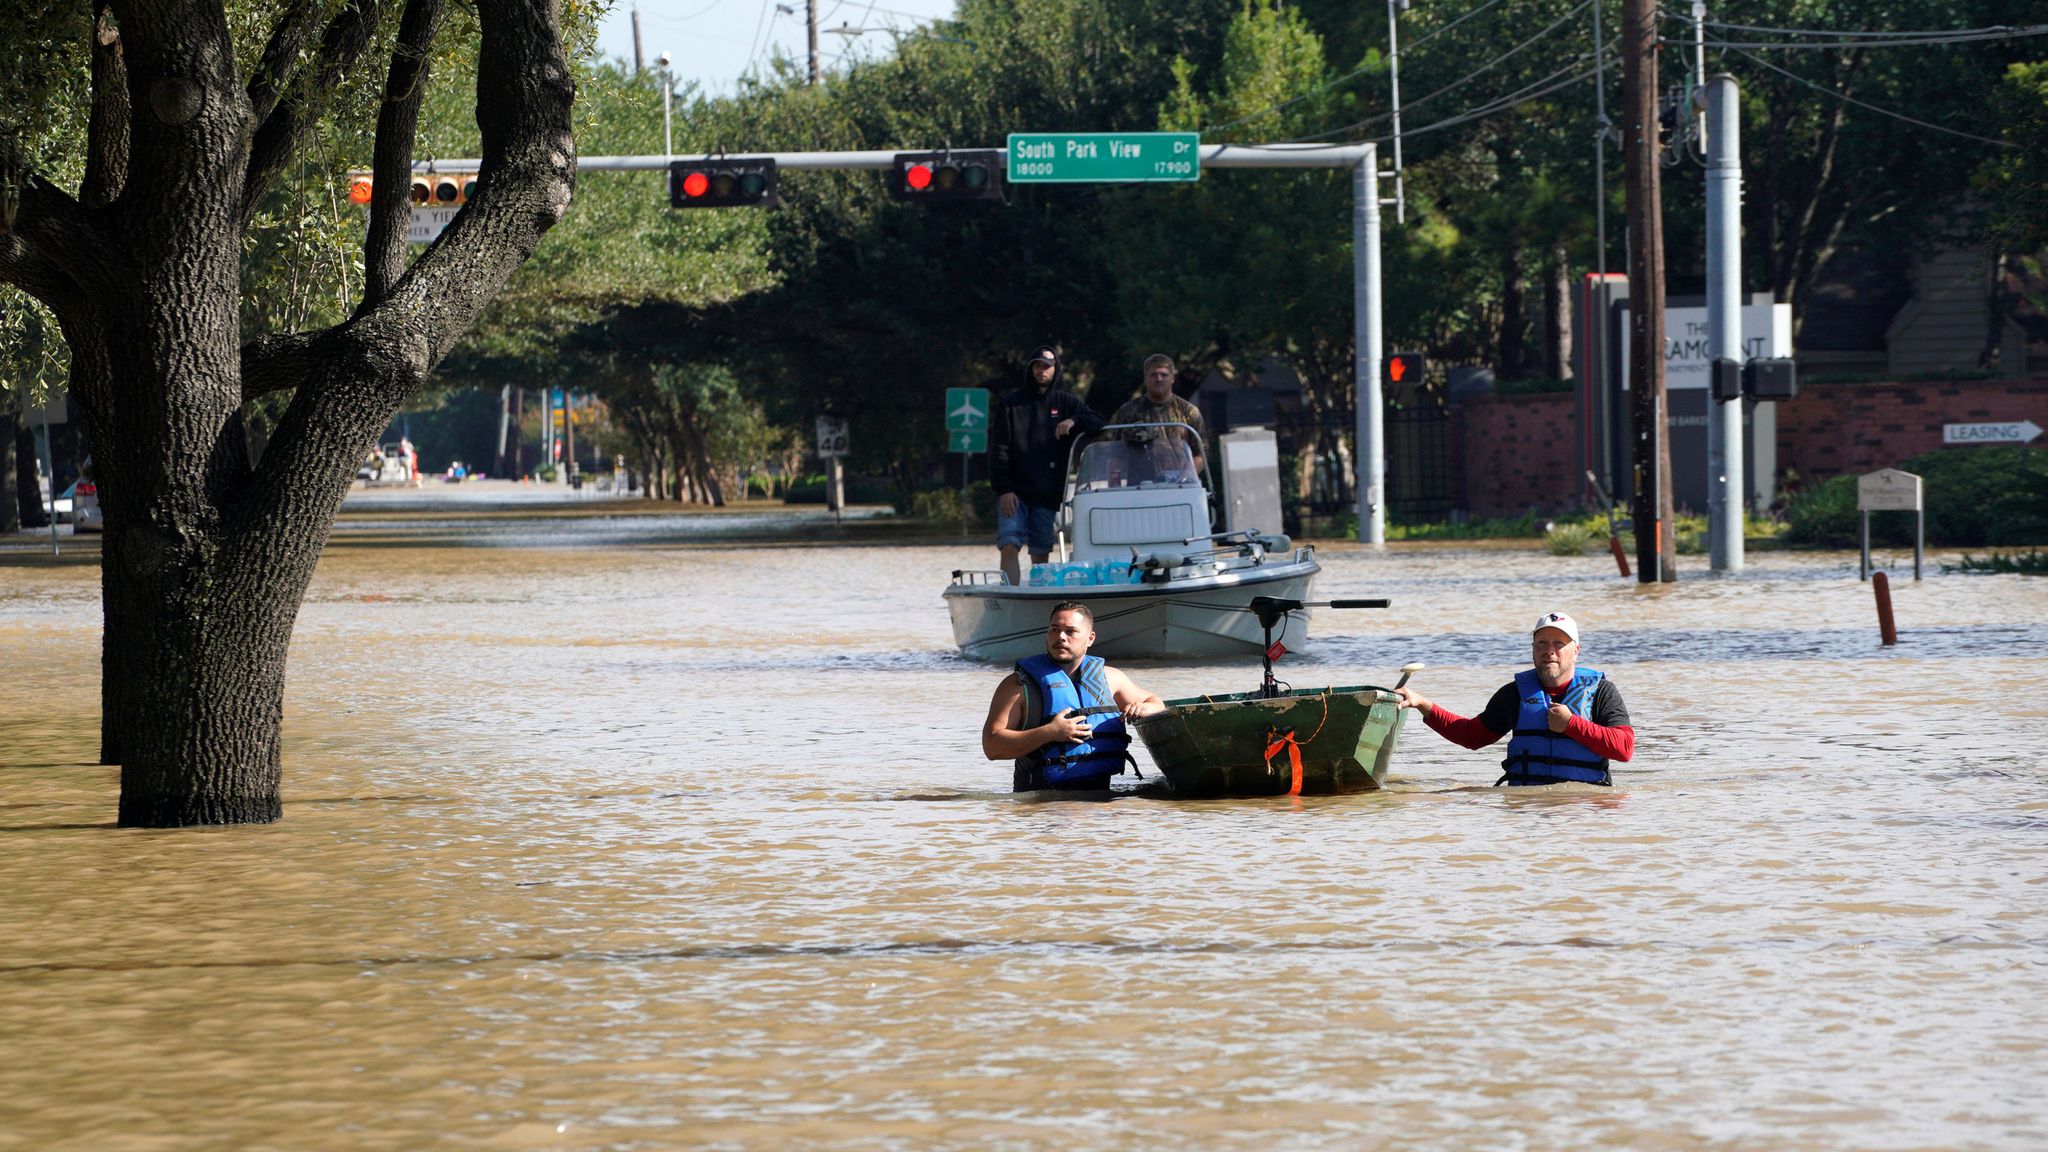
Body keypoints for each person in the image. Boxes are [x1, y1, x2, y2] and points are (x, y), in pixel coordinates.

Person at [1393, 611, 1635, 786]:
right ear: (1533, 649)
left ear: (1576, 650)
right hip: (1528, 809)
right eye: (1541, 643)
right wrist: (1423, 704)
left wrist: (1572, 724)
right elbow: (1471, 736)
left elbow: (1624, 748)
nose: (1549, 650)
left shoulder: (1602, 691)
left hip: (1585, 808)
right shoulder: (1515, 693)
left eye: (1558, 643)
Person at [982, 602, 1167, 792]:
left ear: (1090, 638)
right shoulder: (1018, 685)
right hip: (1040, 809)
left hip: (1100, 808)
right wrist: (1050, 732)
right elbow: (992, 746)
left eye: (1070, 631)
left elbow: (1156, 702)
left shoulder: (1110, 678)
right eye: (1055, 630)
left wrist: (1145, 708)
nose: (1060, 637)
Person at [990, 345, 1105, 585]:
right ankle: (1011, 595)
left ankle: (1037, 595)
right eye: (1038, 366)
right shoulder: (1010, 404)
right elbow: (999, 448)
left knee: (1041, 551)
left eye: (1048, 367)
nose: (1043, 371)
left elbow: (1097, 421)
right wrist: (1004, 489)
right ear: (1031, 368)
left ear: (1056, 370)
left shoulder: (1065, 402)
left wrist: (1073, 420)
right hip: (1014, 493)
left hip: (1046, 494)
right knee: (1009, 544)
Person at [1109, 354, 1208, 481]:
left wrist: (1183, 478)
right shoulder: (1128, 412)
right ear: (1145, 379)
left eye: (1164, 375)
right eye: (1153, 375)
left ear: (1172, 378)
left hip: (1179, 488)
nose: (1159, 379)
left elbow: (1200, 454)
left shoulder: (1189, 412)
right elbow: (1115, 456)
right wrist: (1113, 487)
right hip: (1138, 489)